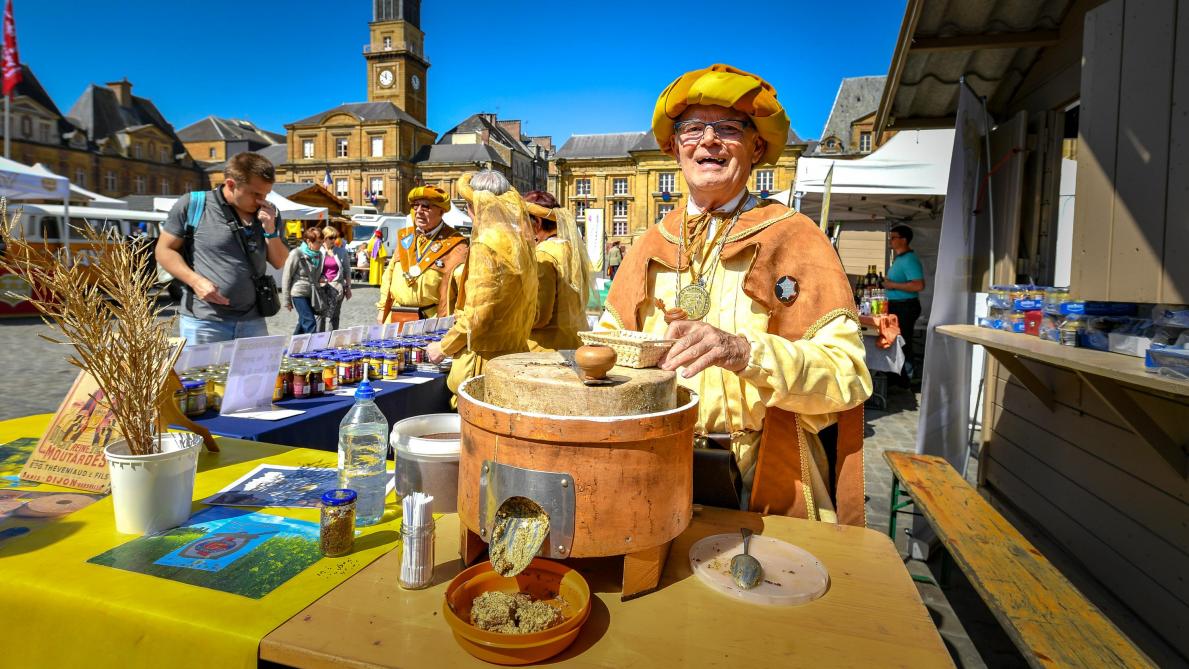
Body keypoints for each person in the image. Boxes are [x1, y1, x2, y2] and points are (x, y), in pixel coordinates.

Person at [599, 64, 872, 525]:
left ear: (756, 147)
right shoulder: (647, 245)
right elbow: (608, 347)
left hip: (766, 471)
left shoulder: (796, 238)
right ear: (674, 148)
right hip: (656, 465)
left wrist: (744, 352)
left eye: (728, 129)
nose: (708, 140)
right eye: (692, 129)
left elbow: (849, 376)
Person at [426, 171, 538, 398]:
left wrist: (443, 347)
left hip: (484, 361)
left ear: (474, 205)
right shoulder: (520, 241)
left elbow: (477, 315)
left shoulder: (486, 244)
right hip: (515, 353)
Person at [156, 152, 288, 343]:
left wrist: (271, 230)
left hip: (253, 321)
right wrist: (195, 281)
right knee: (201, 374)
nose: (262, 200)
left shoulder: (269, 212)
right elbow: (164, 250)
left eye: (266, 194)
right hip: (205, 322)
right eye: (256, 194)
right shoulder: (193, 204)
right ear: (231, 184)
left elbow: (279, 261)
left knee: (254, 374)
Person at [376, 185, 469, 324]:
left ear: (441, 211)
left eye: (425, 206)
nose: (419, 211)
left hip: (430, 321)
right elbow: (388, 277)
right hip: (395, 318)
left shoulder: (456, 244)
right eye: (415, 206)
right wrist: (382, 309)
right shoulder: (406, 238)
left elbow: (465, 290)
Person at [524, 190, 591, 351]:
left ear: (537, 223)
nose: (520, 229)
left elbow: (540, 317)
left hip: (546, 350)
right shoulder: (570, 247)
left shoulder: (544, 254)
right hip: (573, 342)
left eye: (522, 222)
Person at [884, 224, 925, 383]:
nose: (890, 241)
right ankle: (899, 376)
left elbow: (918, 285)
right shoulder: (900, 259)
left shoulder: (910, 260)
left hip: (905, 306)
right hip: (898, 305)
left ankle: (906, 377)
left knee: (903, 341)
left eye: (893, 238)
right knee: (897, 340)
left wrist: (893, 285)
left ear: (904, 240)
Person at [282, 227, 325, 335]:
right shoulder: (296, 253)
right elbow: (286, 276)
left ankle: (293, 349)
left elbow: (318, 275)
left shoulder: (319, 255)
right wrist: (286, 300)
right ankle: (312, 349)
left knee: (302, 323)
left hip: (312, 294)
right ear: (308, 241)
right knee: (310, 322)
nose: (321, 245)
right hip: (298, 293)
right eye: (318, 242)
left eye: (321, 242)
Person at [319, 225, 352, 331]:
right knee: (321, 316)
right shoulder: (318, 251)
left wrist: (348, 288)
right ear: (324, 238)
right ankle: (319, 339)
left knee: (335, 316)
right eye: (331, 238)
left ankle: (331, 339)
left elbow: (347, 270)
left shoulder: (341, 252)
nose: (334, 240)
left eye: (335, 237)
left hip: (337, 288)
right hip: (322, 287)